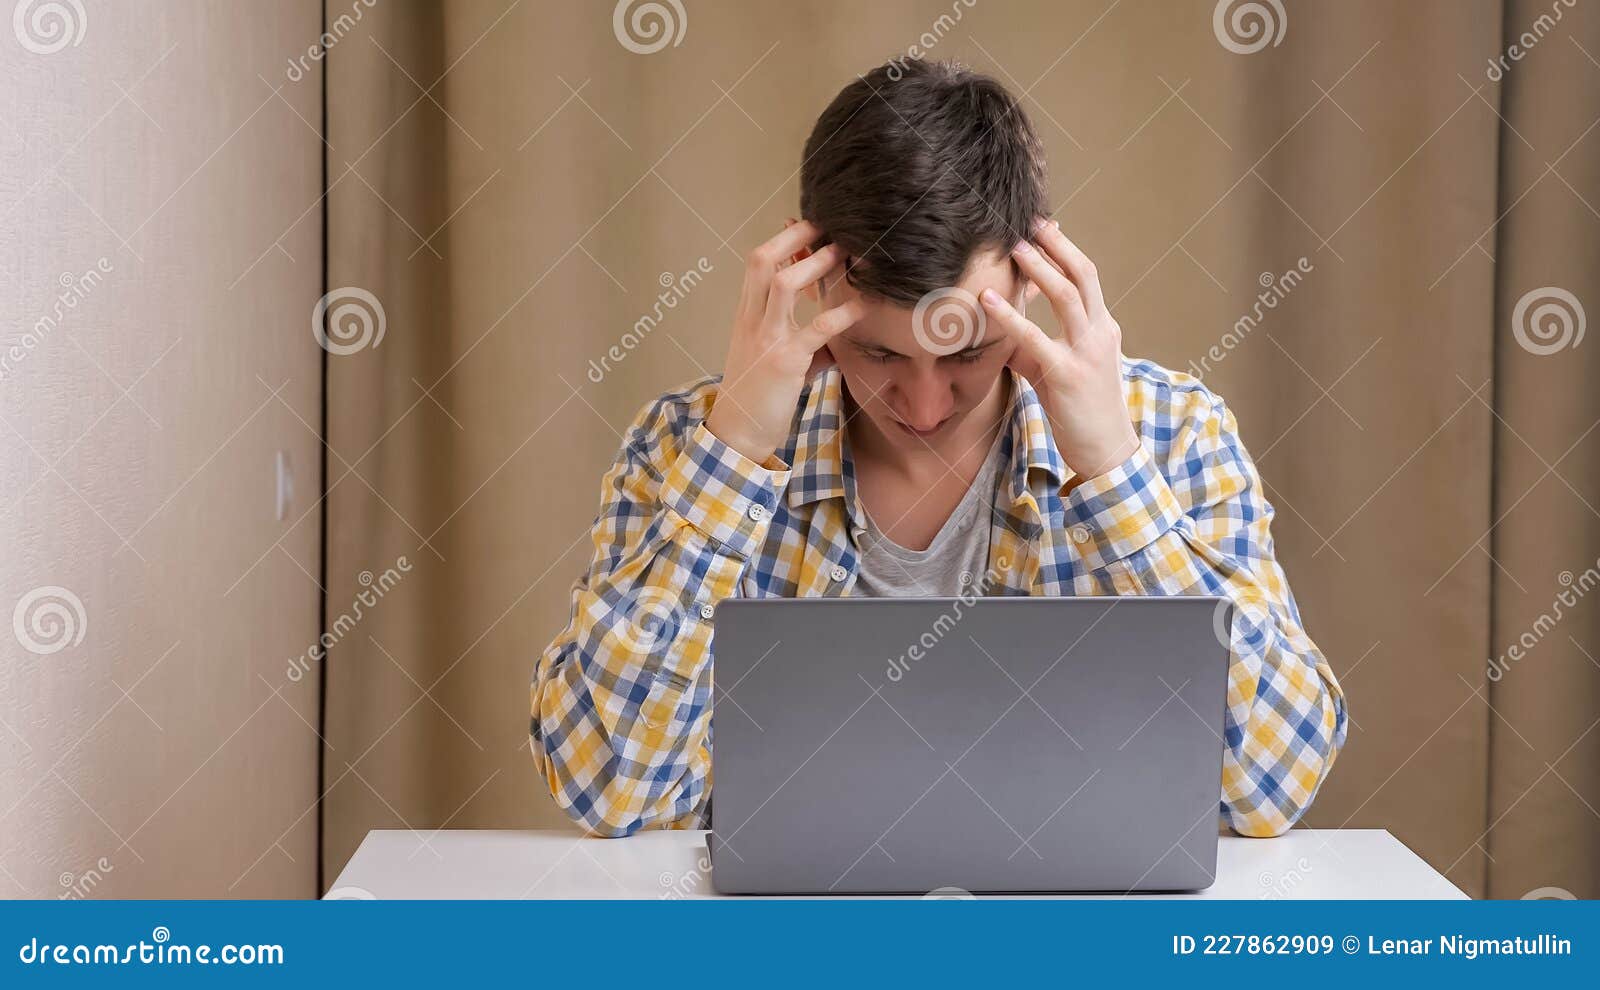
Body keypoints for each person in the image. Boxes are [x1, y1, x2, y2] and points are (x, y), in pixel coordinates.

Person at [530, 59, 1347, 840]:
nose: (923, 405)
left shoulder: (1173, 433)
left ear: (1036, 280)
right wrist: (736, 452)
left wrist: (1114, 475)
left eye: (966, 353)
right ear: (811, 280)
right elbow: (611, 793)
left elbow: (1274, 788)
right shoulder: (686, 444)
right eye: (879, 354)